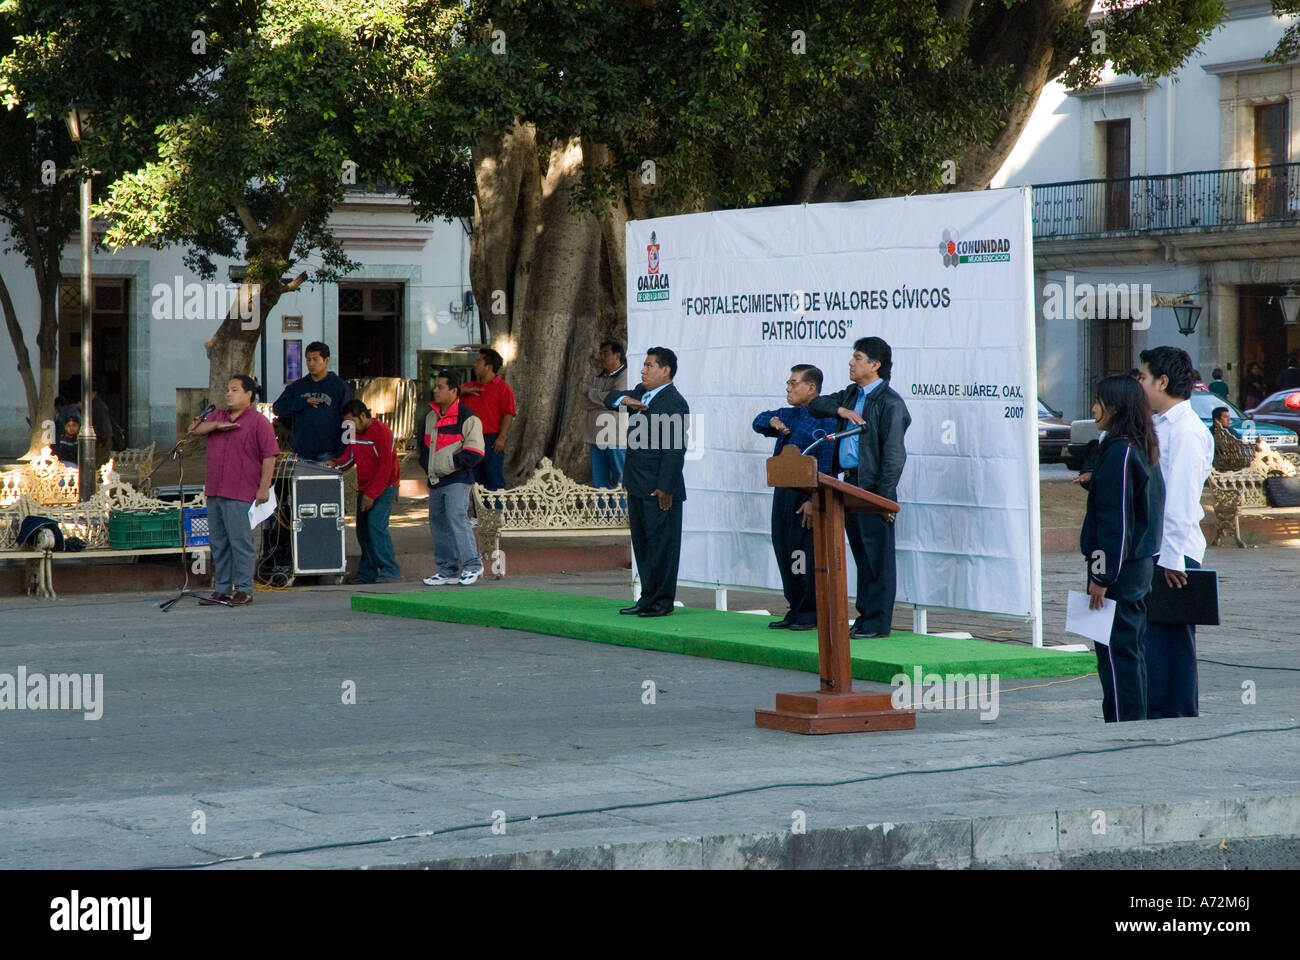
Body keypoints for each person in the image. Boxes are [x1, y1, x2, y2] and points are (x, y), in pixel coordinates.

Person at [808, 336, 910, 639]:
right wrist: (841, 411)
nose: (851, 363)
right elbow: (816, 404)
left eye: (858, 358)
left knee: (877, 557)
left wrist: (883, 497)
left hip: (872, 487)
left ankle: (878, 622)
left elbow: (894, 455)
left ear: (875, 365)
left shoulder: (890, 402)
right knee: (862, 556)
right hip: (849, 483)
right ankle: (865, 618)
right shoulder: (852, 394)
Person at [1079, 376, 1165, 723]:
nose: (1094, 409)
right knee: (1130, 650)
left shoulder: (1120, 451)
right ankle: (1130, 717)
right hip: (1137, 566)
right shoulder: (1137, 446)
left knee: (1117, 654)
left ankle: (1123, 723)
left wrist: (1102, 575)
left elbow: (1118, 524)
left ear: (1115, 407)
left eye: (1098, 401)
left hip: (1121, 571)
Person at [1137, 346, 1214, 718]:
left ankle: (1177, 713)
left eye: (1143, 377)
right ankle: (1158, 708)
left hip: (1174, 552)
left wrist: (1170, 558)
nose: (1139, 384)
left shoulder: (1185, 432)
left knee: (1173, 639)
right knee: (1155, 638)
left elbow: (1180, 501)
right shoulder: (1159, 424)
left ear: (1162, 382)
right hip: (1158, 548)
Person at [605, 347, 689, 617]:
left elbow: (675, 450)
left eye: (649, 365)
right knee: (643, 545)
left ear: (666, 371)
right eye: (643, 365)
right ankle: (647, 597)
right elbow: (610, 398)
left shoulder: (674, 402)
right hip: (637, 484)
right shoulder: (640, 394)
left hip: (659, 488)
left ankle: (662, 602)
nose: (643, 370)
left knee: (662, 546)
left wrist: (666, 486)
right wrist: (626, 401)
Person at [752, 364, 836, 630]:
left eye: (794, 383)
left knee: (803, 552)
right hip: (783, 489)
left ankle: (809, 611)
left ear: (811, 388)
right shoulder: (789, 414)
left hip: (807, 493)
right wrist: (772, 422)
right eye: (788, 383)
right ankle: (795, 607)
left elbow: (825, 461)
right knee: (784, 548)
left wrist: (814, 499)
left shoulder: (826, 417)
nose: (788, 388)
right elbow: (759, 419)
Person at [190, 375, 280, 606]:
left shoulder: (259, 421)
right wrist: (217, 425)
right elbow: (194, 428)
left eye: (235, 390)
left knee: (240, 541)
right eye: (228, 390)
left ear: (249, 394)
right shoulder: (218, 415)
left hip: (241, 490)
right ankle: (222, 588)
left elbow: (269, 456)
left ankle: (244, 589)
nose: (229, 394)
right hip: (216, 489)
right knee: (218, 541)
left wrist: (264, 487)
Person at [418, 371, 486, 586]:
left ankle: (473, 565)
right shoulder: (429, 417)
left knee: (457, 518)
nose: (435, 390)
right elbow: (423, 448)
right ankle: (447, 569)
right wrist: (430, 467)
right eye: (435, 386)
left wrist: (447, 465)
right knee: (437, 523)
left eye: (440, 387)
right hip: (436, 480)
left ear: (454, 391)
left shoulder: (468, 417)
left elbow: (475, 452)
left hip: (458, 479)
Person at [330, 399, 402, 585]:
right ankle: (367, 573)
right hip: (365, 486)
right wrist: (335, 464)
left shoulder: (382, 432)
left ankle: (390, 570)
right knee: (363, 531)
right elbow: (349, 458)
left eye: (352, 421)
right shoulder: (354, 432)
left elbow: (386, 466)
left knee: (376, 526)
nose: (349, 426)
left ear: (363, 416)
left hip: (385, 486)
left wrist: (372, 494)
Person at [272, 341, 352, 463]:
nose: (311, 363)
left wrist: (340, 455)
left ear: (326, 360)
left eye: (315, 359)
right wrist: (303, 402)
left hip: (328, 453)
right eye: (308, 360)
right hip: (301, 452)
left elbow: (349, 419)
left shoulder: (339, 386)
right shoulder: (298, 386)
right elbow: (278, 408)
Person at [460, 348, 516, 491]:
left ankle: (495, 512)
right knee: (475, 481)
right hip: (470, 439)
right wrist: (462, 390)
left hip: (491, 440)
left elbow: (508, 413)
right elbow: (446, 395)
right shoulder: (470, 387)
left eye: (479, 361)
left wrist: (502, 437)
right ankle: (479, 513)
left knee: (494, 481)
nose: (475, 365)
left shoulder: (503, 388)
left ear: (488, 366)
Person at [582, 340, 628, 488]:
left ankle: (622, 511)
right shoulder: (595, 377)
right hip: (595, 437)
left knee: (621, 479)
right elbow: (583, 401)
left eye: (606, 353)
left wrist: (592, 394)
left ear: (617, 356)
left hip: (615, 436)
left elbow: (616, 400)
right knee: (600, 482)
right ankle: (604, 511)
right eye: (600, 353)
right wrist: (605, 398)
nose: (601, 357)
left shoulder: (625, 375)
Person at [1211, 407, 1258, 472]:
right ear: (1217, 419)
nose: (1228, 419)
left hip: (1221, 460)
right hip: (1233, 460)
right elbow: (1241, 441)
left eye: (1228, 417)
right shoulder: (1227, 431)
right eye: (1225, 417)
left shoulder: (1210, 431)